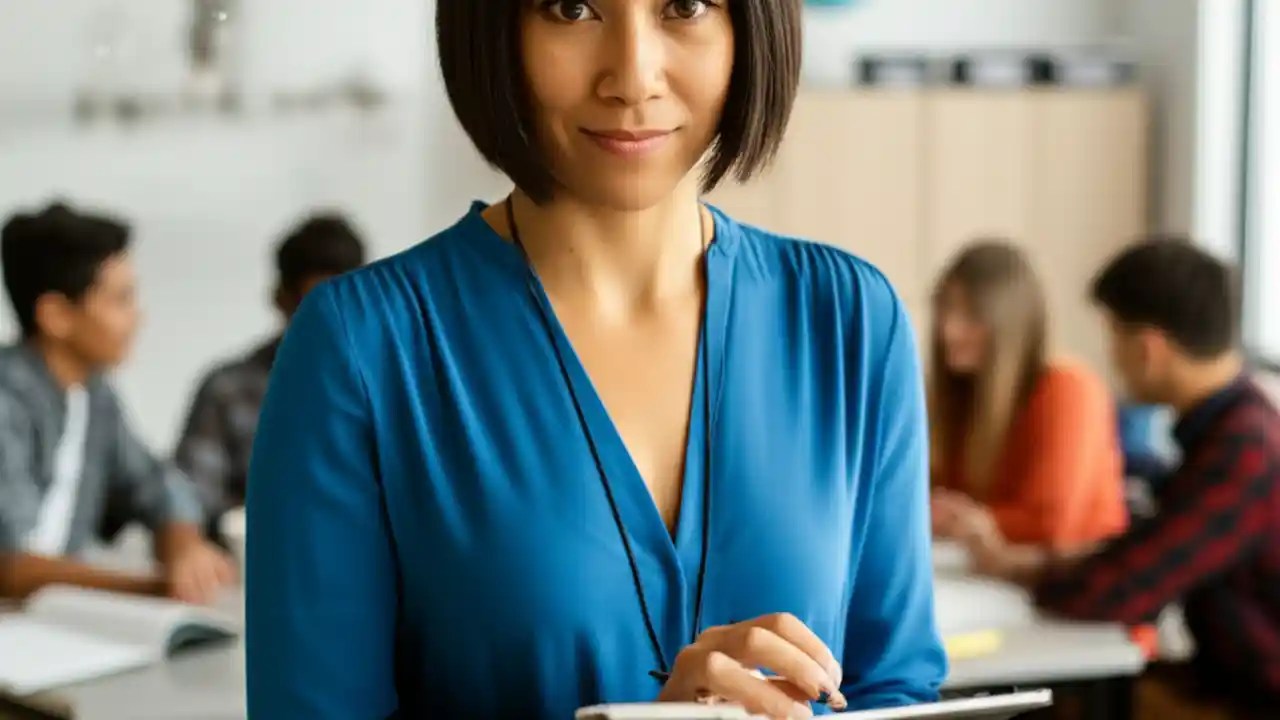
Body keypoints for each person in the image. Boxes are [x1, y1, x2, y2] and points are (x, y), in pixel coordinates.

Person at [245, 0, 946, 718]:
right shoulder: (361, 350)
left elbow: (891, 688)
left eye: (686, 7)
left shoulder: (850, 320)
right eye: (571, 8)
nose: (633, 77)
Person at [966, 239, 1280, 716]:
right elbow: (1141, 551)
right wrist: (1022, 566)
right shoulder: (1233, 426)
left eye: (1113, 334)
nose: (1110, 354)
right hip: (1223, 677)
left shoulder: (1243, 451)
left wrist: (1029, 576)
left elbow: (1121, 588)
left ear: (1147, 348)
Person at [0, 202, 234, 603]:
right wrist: (151, 589)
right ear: (56, 315)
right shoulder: (8, 400)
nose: (137, 317)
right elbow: (10, 566)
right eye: (120, 300)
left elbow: (159, 485)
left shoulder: (95, 397)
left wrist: (184, 550)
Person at [174, 213, 366, 541]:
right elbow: (190, 500)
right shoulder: (228, 390)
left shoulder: (396, 388)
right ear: (280, 299)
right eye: (314, 307)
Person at [928, 241, 1128, 551]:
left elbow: (1050, 525)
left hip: (1077, 584)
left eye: (970, 315)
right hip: (996, 578)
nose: (948, 331)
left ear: (1009, 325)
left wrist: (965, 519)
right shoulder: (959, 397)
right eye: (945, 310)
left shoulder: (1068, 389)